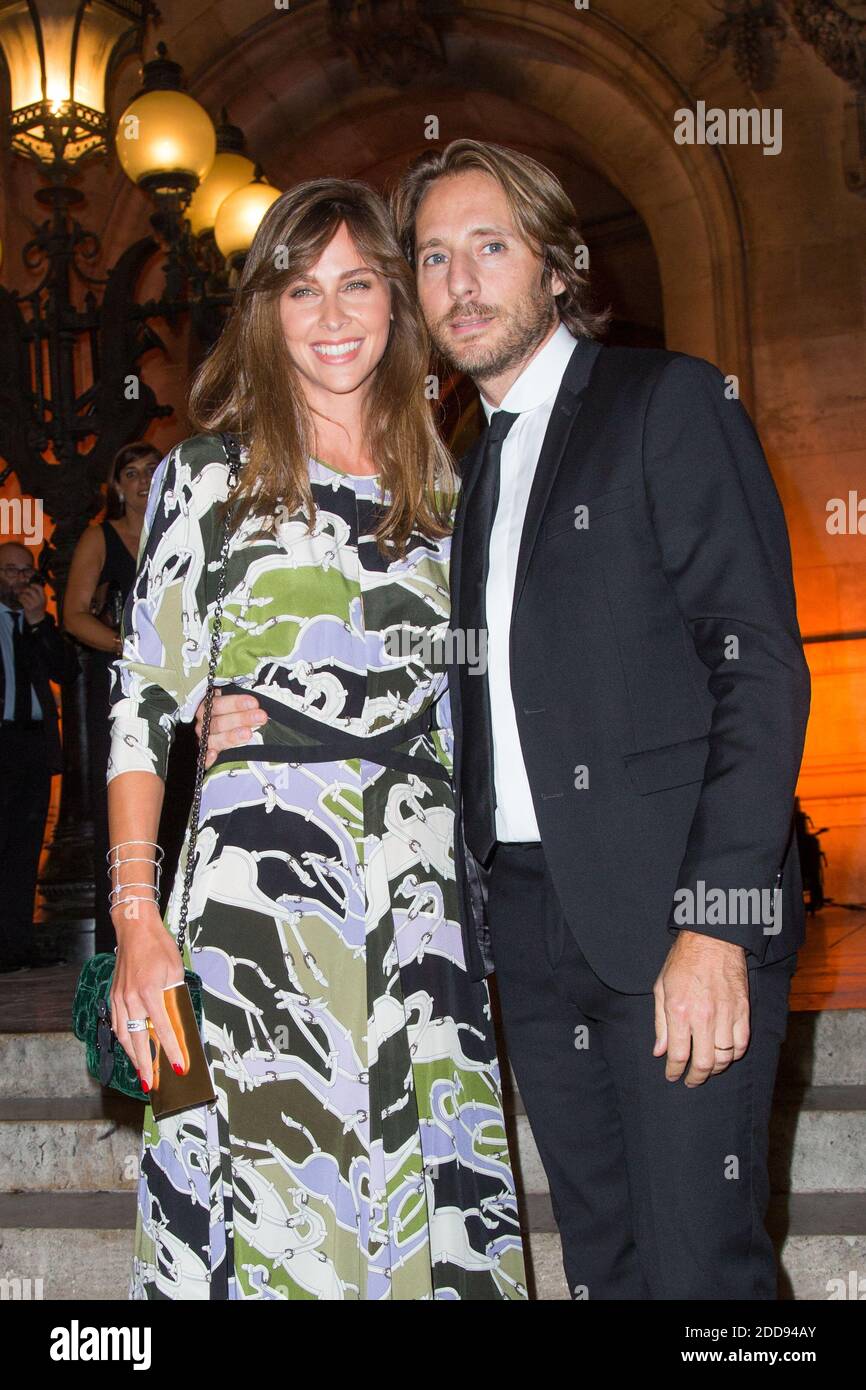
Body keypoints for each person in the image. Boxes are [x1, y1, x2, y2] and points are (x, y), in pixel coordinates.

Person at [202, 140, 811, 1301]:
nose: (458, 282)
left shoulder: (664, 402)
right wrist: (266, 717)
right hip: (527, 932)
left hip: (672, 921)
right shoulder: (462, 471)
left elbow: (759, 671)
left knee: (704, 1274)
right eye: (431, 257)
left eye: (489, 247)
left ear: (557, 263)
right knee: (606, 1268)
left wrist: (717, 923)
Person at [106, 177, 526, 1300]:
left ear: (396, 302)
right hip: (257, 905)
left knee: (426, 1199)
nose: (332, 315)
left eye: (355, 284)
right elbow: (145, 696)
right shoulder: (206, 477)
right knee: (271, 1208)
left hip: (421, 900)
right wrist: (137, 918)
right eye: (301, 289)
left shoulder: (448, 481)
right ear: (265, 311)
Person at [64, 444, 161, 953]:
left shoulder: (186, 530)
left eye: (153, 470)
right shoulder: (101, 538)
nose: (144, 480)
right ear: (117, 486)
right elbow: (74, 614)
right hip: (124, 689)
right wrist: (129, 647)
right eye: (132, 472)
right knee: (125, 815)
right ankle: (119, 954)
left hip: (184, 691)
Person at [0, 541, 80, 971]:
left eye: (26, 572)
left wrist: (38, 621)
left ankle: (15, 944)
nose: (20, 580)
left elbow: (66, 671)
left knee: (24, 849)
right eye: (10, 571)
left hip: (30, 746)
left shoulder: (34, 622)